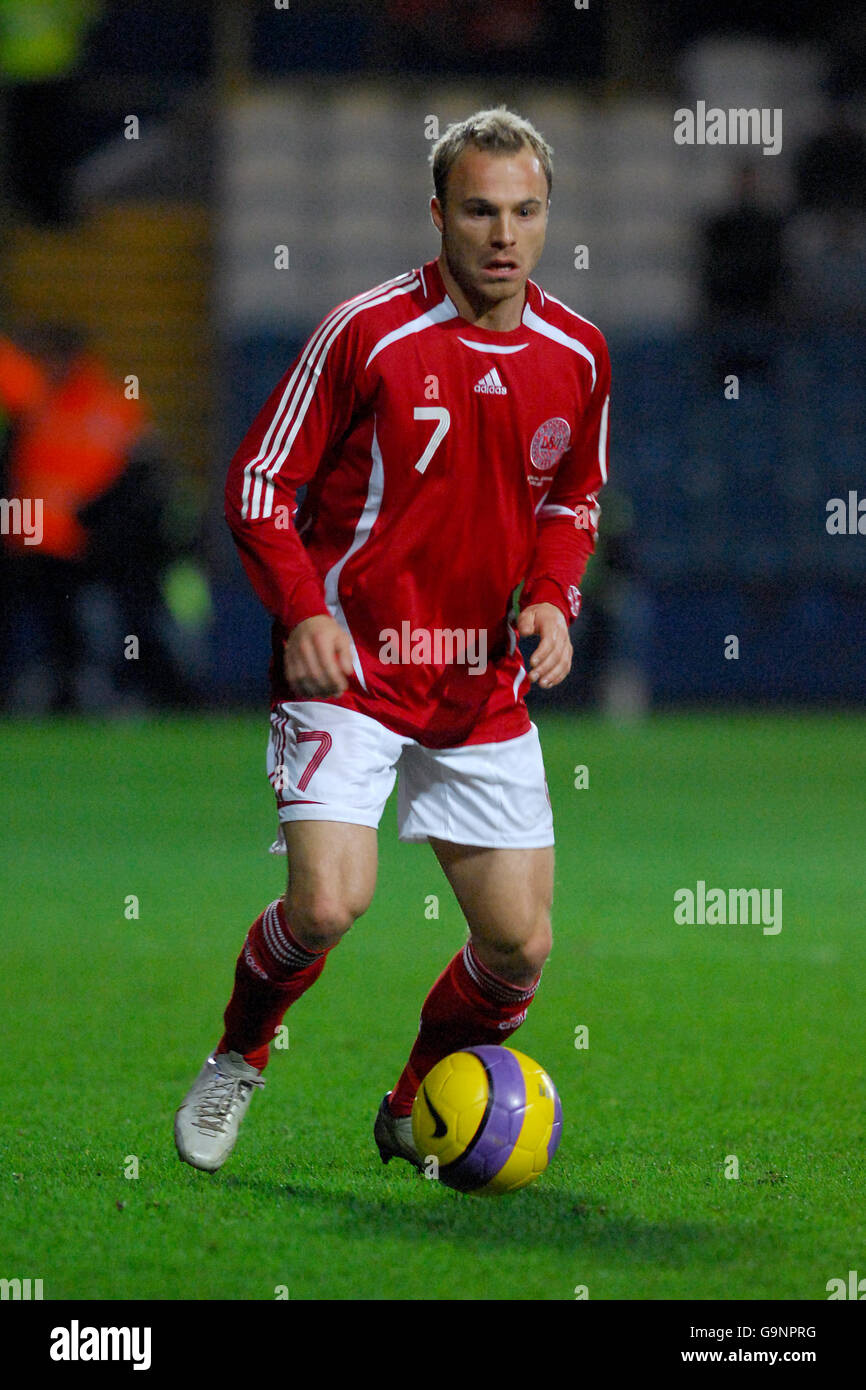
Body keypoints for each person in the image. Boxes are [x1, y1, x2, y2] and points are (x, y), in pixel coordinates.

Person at [174, 107, 611, 1174]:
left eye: (523, 211)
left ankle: (413, 1101)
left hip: (478, 682)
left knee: (518, 948)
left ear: (545, 216)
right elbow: (258, 485)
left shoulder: (578, 353)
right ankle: (237, 1055)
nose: (501, 234)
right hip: (352, 668)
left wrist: (552, 597)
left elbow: (573, 497)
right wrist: (304, 611)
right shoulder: (366, 332)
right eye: (477, 210)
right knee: (327, 902)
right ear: (437, 214)